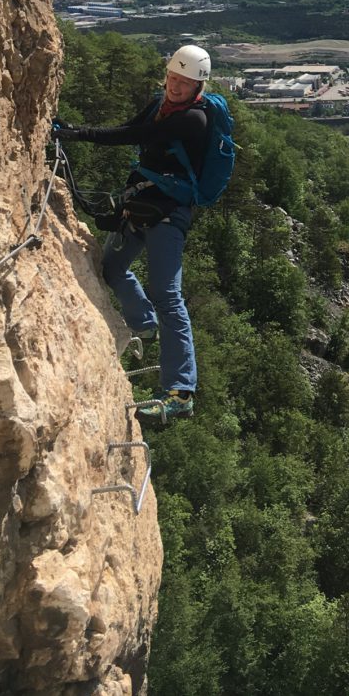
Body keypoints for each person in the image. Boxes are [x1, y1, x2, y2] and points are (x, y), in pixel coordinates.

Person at [53, 44, 212, 422]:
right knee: (111, 268)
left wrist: (75, 134)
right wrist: (75, 132)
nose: (175, 86)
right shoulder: (162, 103)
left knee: (168, 294)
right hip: (141, 207)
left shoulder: (193, 119)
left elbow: (133, 135)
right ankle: (144, 323)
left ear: (197, 87)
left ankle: (180, 391)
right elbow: (131, 128)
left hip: (169, 216)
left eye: (184, 82)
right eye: (173, 78)